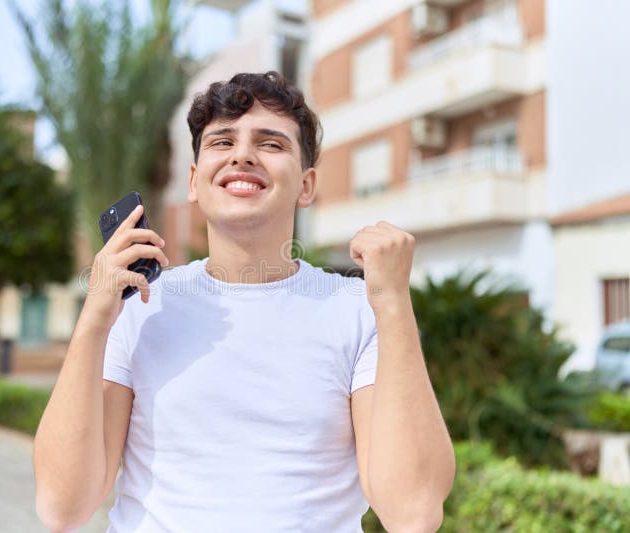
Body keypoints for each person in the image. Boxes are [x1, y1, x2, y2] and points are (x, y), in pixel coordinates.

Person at [33, 71, 455, 533]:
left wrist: (393, 301)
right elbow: (62, 509)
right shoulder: (139, 305)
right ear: (194, 181)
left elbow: (413, 514)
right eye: (221, 141)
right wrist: (94, 317)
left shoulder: (359, 309)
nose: (242, 155)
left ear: (307, 186)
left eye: (271, 144)